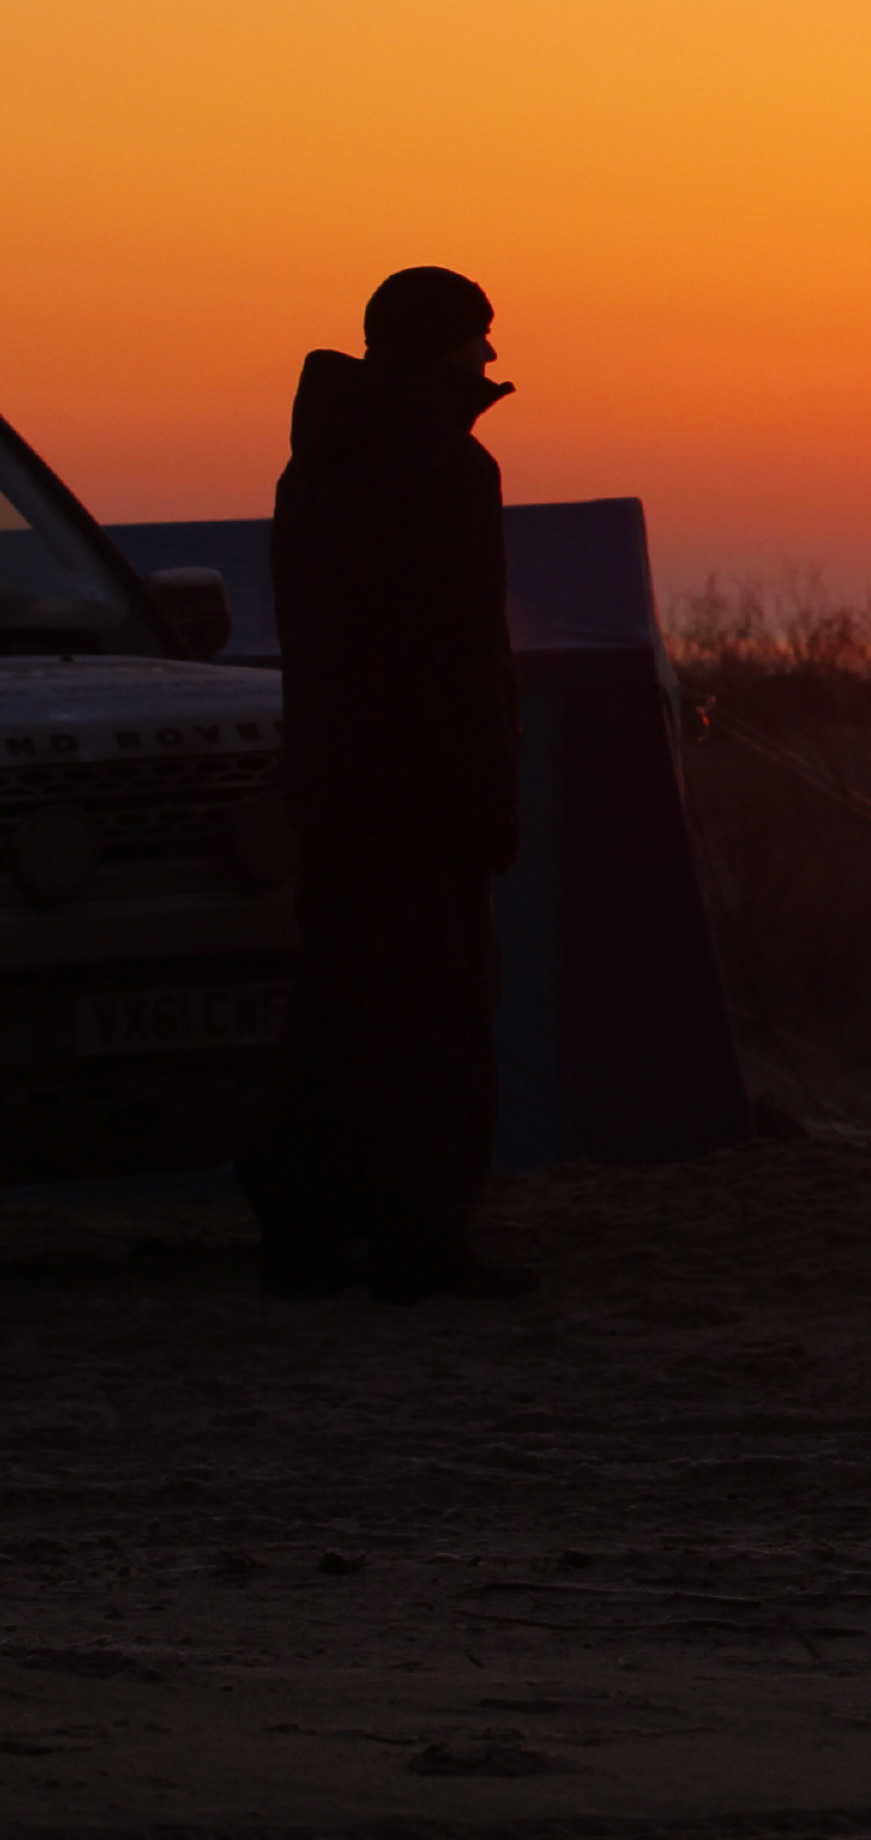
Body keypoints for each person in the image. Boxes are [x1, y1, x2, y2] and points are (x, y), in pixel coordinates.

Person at [246, 265, 534, 1302]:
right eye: (479, 334)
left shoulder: (318, 466)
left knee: (334, 1007)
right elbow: (457, 656)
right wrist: (489, 793)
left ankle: (310, 1231)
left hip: (334, 785)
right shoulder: (445, 466)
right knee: (435, 1009)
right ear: (441, 343)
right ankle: (419, 1238)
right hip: (425, 791)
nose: (492, 355)